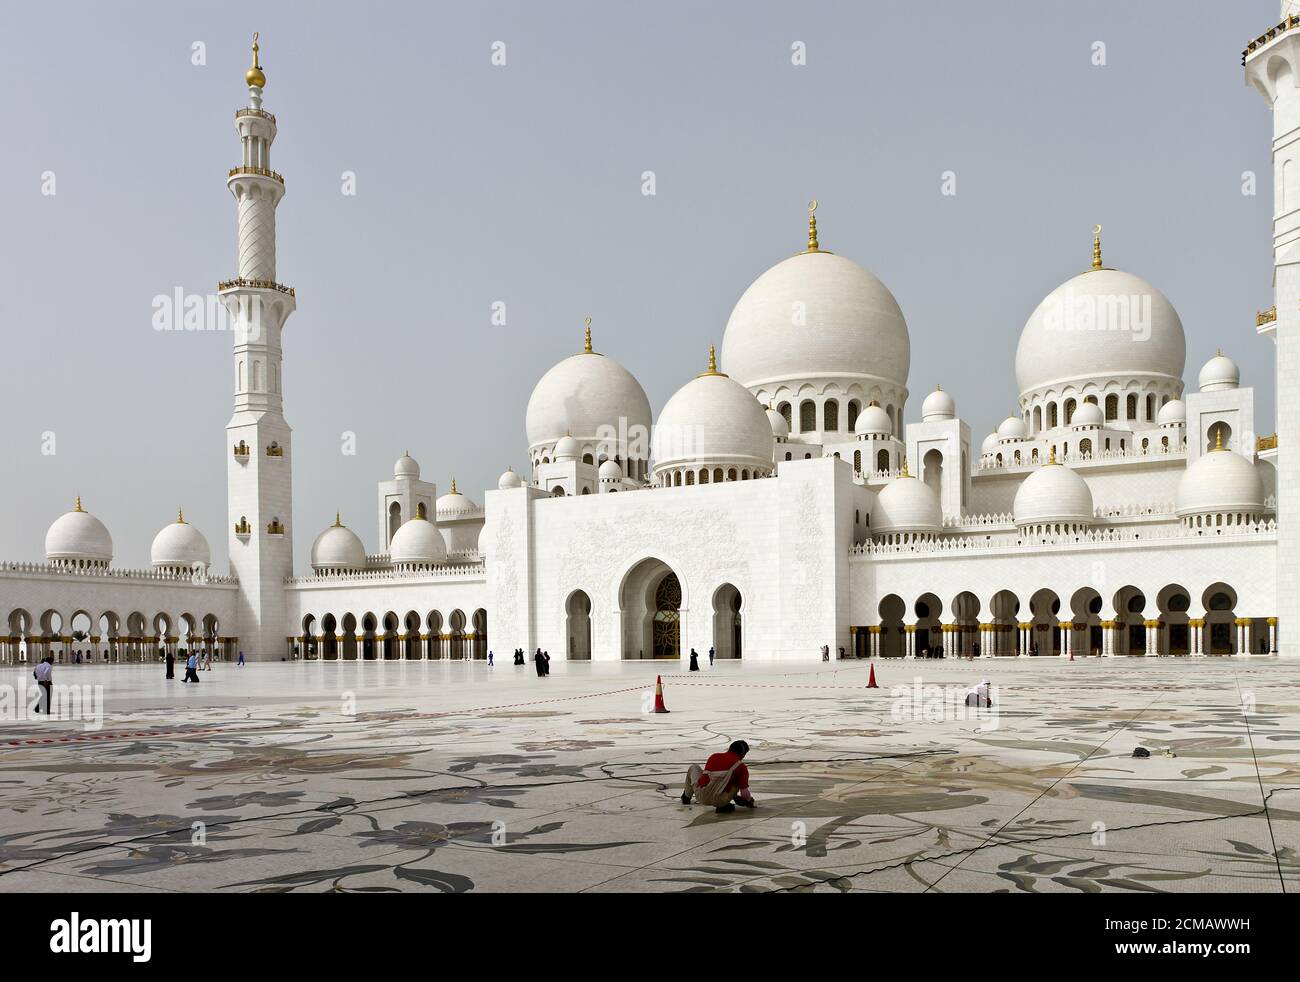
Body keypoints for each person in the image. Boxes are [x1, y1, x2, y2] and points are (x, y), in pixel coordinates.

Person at [681, 740, 757, 814]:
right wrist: (748, 801)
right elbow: (744, 793)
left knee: (694, 767)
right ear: (743, 754)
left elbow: (704, 780)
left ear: (729, 749)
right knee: (738, 781)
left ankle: (686, 797)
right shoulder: (741, 767)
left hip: (701, 796)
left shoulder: (714, 757)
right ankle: (723, 805)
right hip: (721, 800)